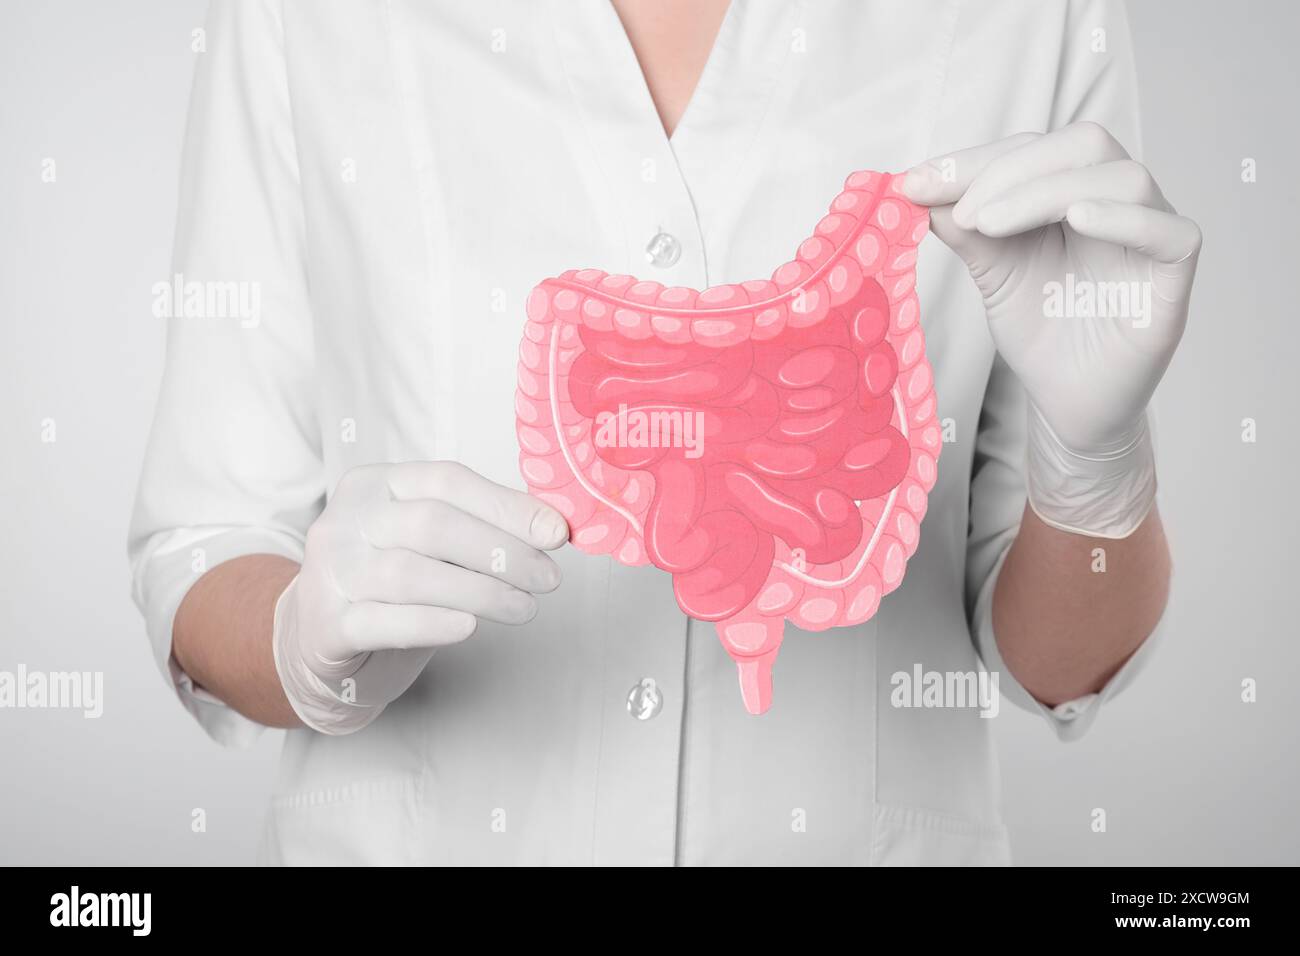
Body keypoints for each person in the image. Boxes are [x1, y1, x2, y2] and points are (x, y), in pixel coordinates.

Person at [128, 0, 1200, 865]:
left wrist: (1093, 469)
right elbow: (201, 543)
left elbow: (1055, 665)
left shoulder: (1033, 17)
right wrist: (301, 641)